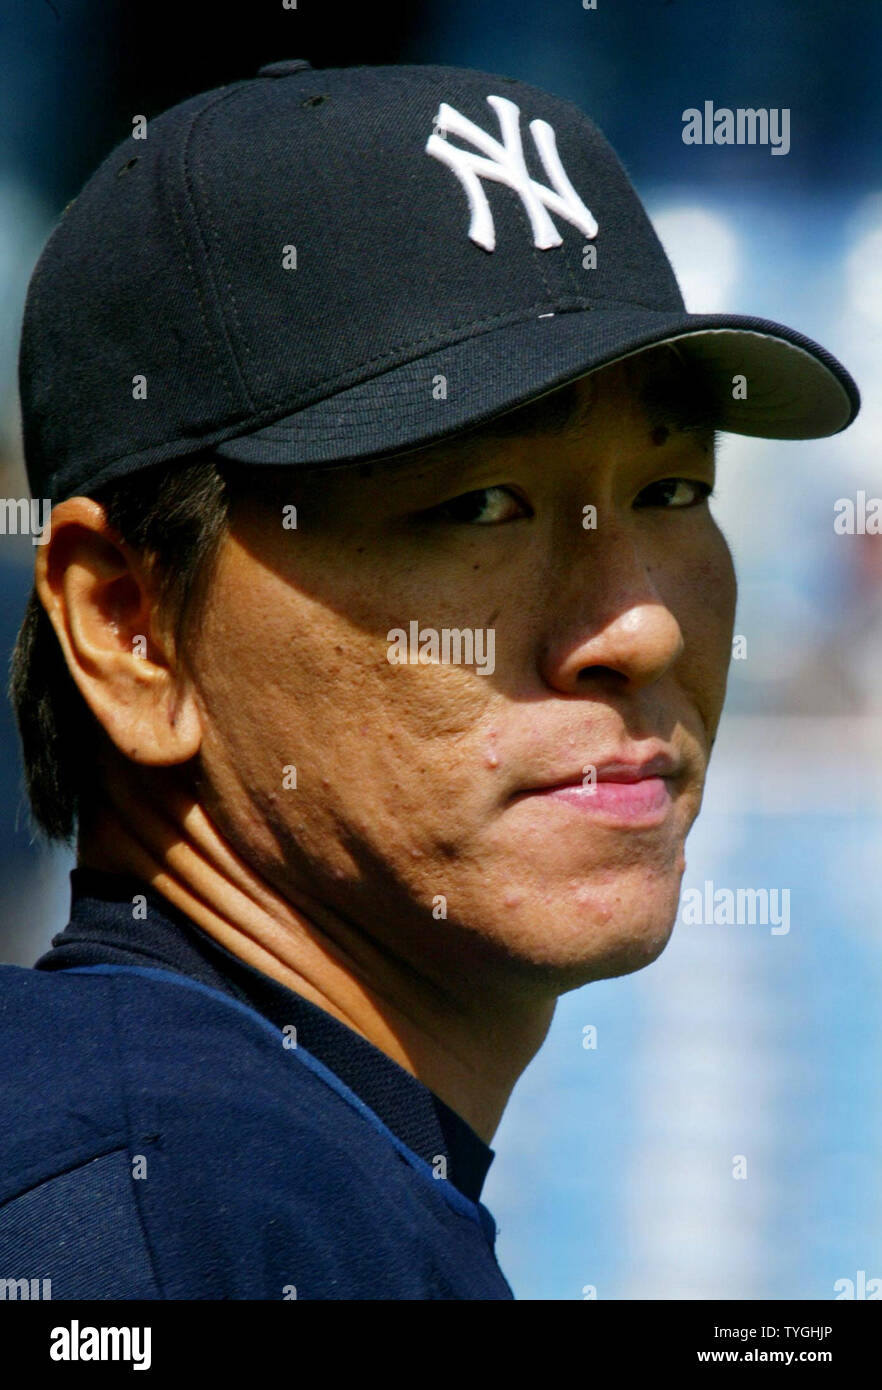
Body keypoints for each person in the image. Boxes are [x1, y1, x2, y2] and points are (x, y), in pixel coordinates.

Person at [0, 58, 859, 1299]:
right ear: (131, 626)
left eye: (673, 490)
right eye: (480, 505)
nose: (643, 628)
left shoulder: (261, 1178)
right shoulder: (165, 1222)